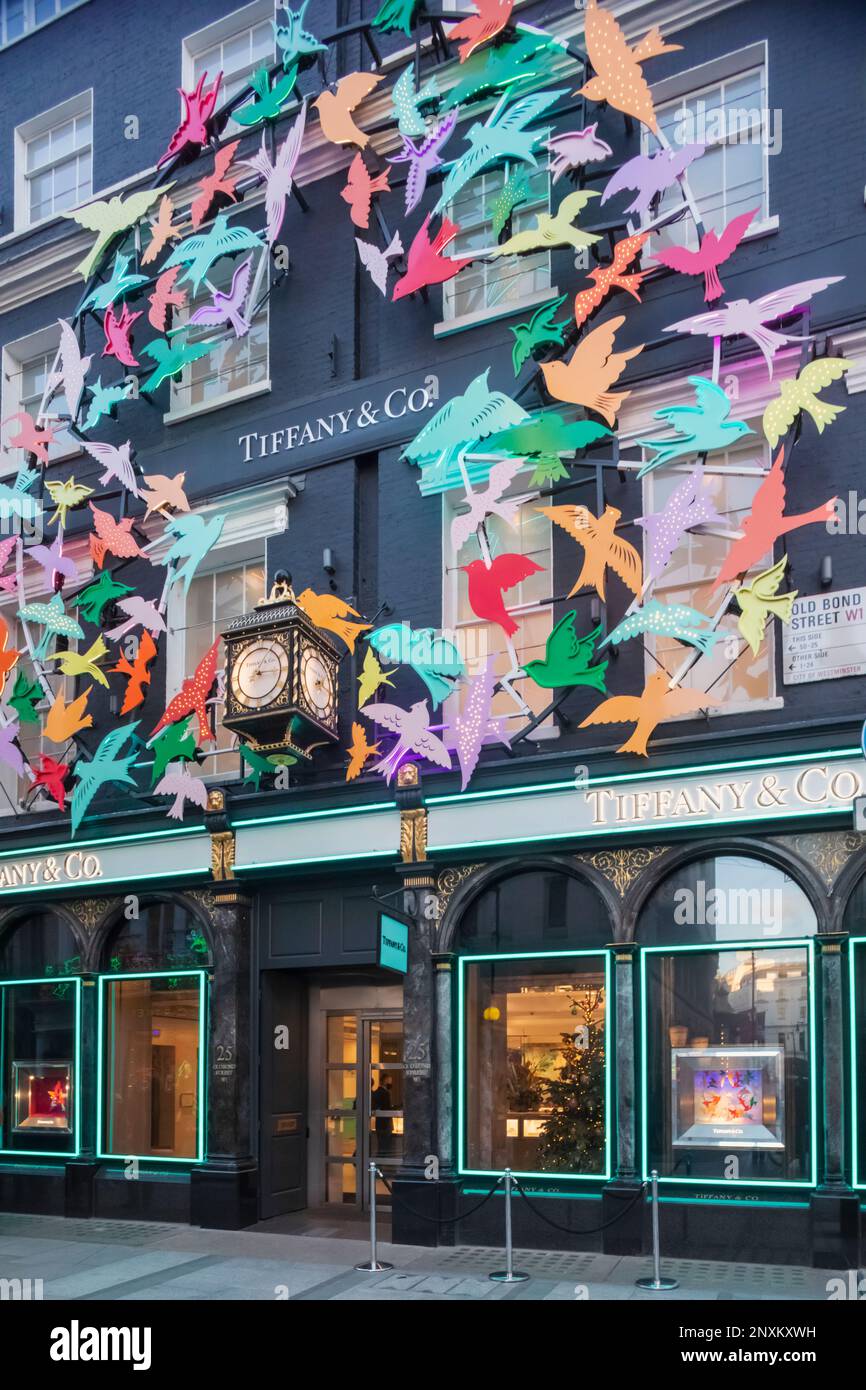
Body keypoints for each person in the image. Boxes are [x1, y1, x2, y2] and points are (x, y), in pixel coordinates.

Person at [370, 1074, 393, 1156]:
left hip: (379, 1123)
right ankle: (382, 1163)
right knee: (385, 1145)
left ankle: (380, 1162)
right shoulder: (385, 1093)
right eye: (389, 1081)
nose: (390, 1083)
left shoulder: (375, 1092)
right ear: (384, 1081)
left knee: (380, 1144)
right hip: (385, 1123)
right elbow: (387, 1108)